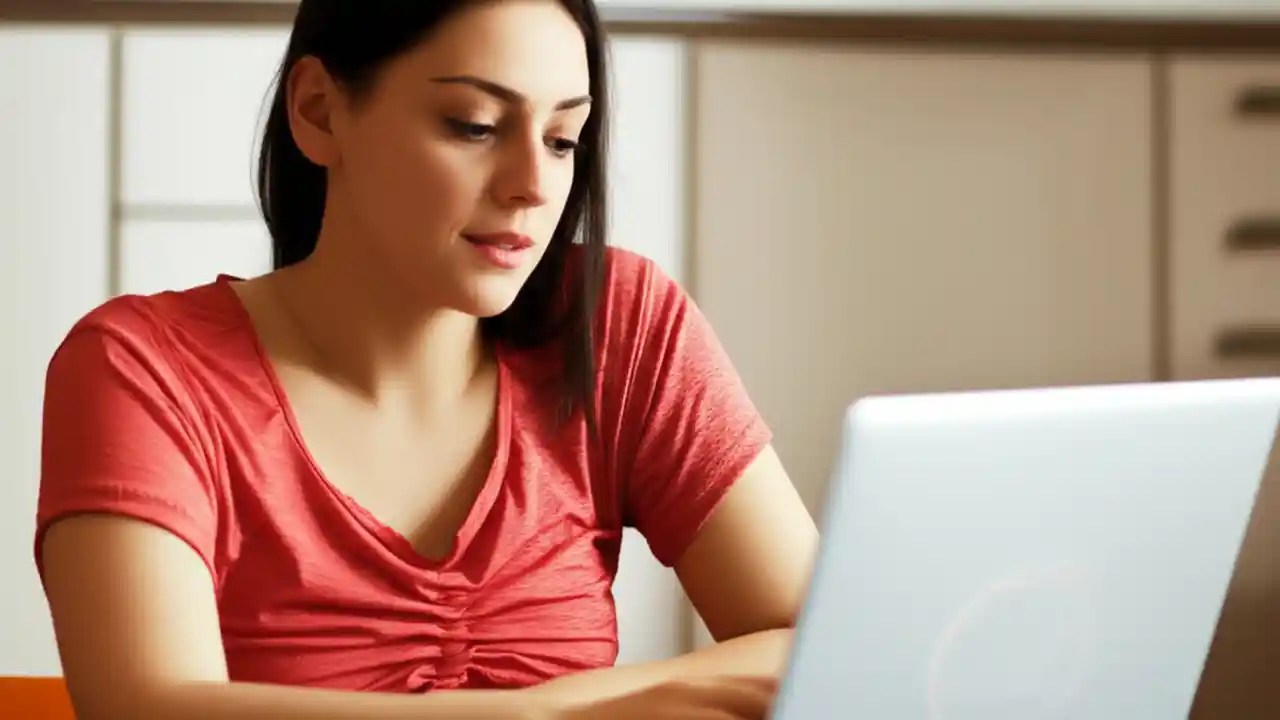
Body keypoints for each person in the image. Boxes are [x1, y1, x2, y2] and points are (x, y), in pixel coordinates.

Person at [34, 0, 818, 718]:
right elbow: (148, 707)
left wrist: (593, 700)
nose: (532, 187)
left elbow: (824, 640)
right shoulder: (143, 366)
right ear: (318, 111)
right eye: (474, 125)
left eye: (561, 139)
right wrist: (549, 712)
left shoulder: (619, 325)